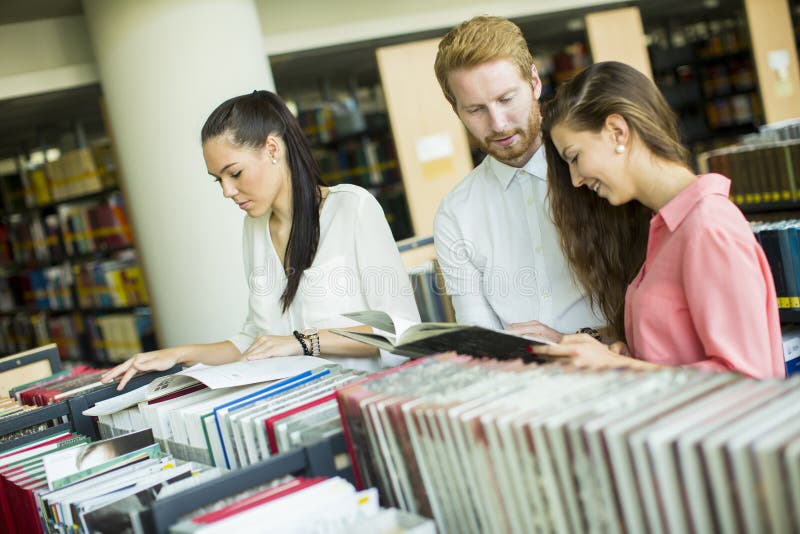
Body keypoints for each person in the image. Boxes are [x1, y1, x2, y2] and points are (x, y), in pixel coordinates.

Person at [102, 90, 420, 390]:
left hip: (363, 399)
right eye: (219, 180)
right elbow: (255, 340)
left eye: (235, 173)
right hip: (292, 411)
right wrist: (176, 354)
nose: (227, 191)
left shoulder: (352, 207)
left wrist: (303, 342)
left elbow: (400, 331)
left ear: (272, 149)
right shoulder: (253, 229)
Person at [531, 61, 784, 379]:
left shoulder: (708, 228)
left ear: (617, 131)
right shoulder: (664, 230)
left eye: (575, 157)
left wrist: (620, 365)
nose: (576, 179)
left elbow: (748, 380)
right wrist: (629, 355)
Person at [432, 16, 600, 341]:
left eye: (506, 99)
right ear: (456, 110)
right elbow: (479, 338)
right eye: (475, 110)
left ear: (534, 82)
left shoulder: (597, 170)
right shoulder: (455, 213)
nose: (498, 124)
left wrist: (572, 341)